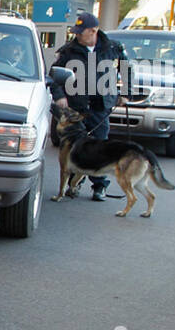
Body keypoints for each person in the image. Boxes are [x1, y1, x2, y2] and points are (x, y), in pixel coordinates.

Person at [50, 12, 129, 201]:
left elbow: (127, 70)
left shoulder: (113, 48)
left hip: (101, 106)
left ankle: (99, 186)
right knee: (76, 148)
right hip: (77, 107)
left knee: (100, 148)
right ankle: (74, 185)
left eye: (80, 32)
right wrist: (60, 97)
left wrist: (125, 93)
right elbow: (53, 77)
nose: (77, 35)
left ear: (93, 31)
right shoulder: (69, 51)